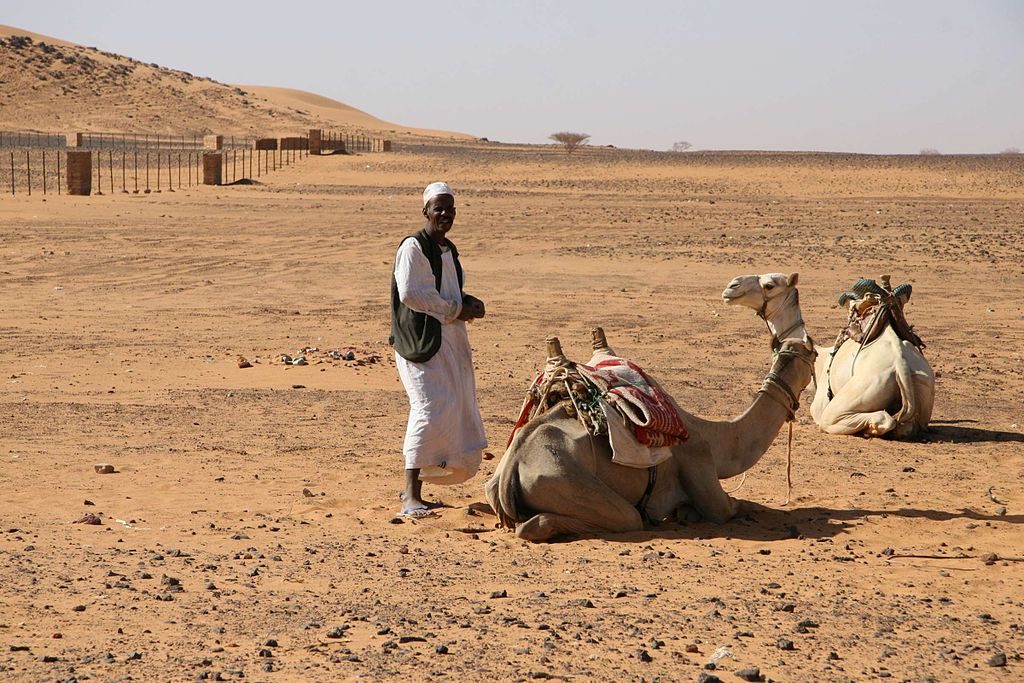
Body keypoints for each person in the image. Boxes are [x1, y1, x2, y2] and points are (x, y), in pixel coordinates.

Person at [390, 182, 487, 517]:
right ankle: (409, 496)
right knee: (428, 408)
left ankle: (420, 486)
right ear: (426, 211)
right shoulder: (413, 247)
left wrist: (467, 302)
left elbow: (445, 291)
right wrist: (456, 309)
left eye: (450, 208)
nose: (445, 214)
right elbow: (411, 293)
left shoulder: (448, 250)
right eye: (438, 208)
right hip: (419, 343)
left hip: (448, 342)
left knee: (448, 406)